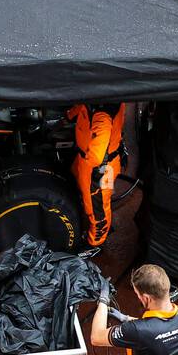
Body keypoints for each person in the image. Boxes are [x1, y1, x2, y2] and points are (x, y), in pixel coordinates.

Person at [67, 102, 126, 252]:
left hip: (99, 169)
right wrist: (68, 116)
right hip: (87, 159)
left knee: (96, 207)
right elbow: (81, 107)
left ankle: (96, 242)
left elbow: (97, 156)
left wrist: (89, 169)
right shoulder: (97, 98)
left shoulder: (102, 114)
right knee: (94, 202)